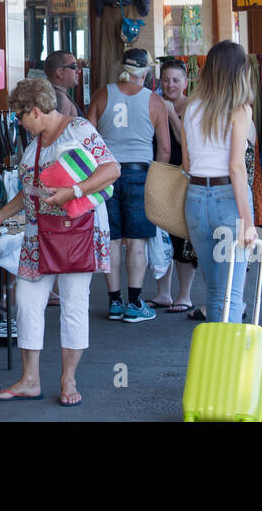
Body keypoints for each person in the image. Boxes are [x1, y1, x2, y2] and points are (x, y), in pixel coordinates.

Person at [0, 78, 120, 407]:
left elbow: (112, 168)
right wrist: (2, 213)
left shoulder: (79, 129)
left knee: (73, 303)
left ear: (35, 110)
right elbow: (30, 187)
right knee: (27, 302)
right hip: (38, 233)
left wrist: (73, 192)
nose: (18, 122)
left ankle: (68, 378)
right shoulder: (37, 140)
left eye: (20, 115)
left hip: (76, 231)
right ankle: (30, 380)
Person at [88, 47, 170, 323]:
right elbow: (166, 150)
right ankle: (134, 304)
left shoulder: (102, 94)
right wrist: (158, 182)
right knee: (136, 242)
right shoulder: (155, 101)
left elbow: (87, 139)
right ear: (146, 72)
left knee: (111, 241)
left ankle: (114, 303)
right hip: (140, 174)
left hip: (106, 175)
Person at [182, 41, 257, 322]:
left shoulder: (192, 106)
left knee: (214, 290)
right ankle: (231, 364)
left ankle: (215, 362)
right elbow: (236, 167)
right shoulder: (239, 110)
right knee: (231, 294)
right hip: (228, 198)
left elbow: (187, 164)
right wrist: (248, 222)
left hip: (196, 199)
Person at [145, 59, 203, 318]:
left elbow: (190, 144)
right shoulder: (154, 103)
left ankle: (184, 294)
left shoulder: (193, 107)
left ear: (185, 83)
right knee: (161, 231)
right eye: (165, 80)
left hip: (187, 175)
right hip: (162, 174)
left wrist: (170, 113)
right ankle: (163, 291)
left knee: (183, 235)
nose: (170, 85)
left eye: (175, 80)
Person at [44, 50, 81, 118]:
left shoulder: (48, 94)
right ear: (59, 72)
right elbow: (58, 128)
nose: (78, 71)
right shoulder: (60, 97)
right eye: (74, 66)